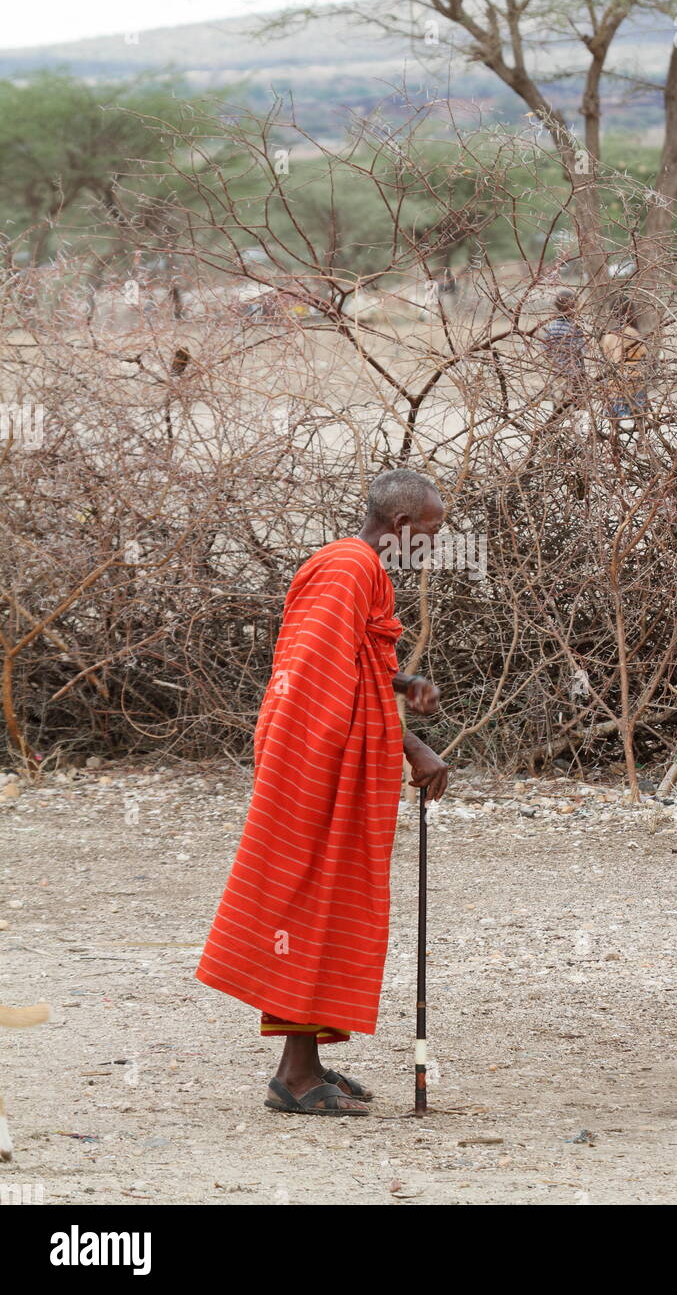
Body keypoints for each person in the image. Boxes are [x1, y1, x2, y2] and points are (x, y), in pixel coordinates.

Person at [196, 470, 449, 1116]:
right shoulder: (350, 568)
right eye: (431, 532)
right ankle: (296, 1077)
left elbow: (354, 665)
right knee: (311, 901)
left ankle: (303, 1063)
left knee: (329, 900)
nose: (434, 545)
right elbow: (317, 680)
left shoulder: (358, 569)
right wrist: (412, 746)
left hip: (327, 755)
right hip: (315, 761)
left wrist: (404, 686)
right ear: (402, 527)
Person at [598, 299, 649, 420]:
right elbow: (643, 353)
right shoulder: (632, 333)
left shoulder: (608, 336)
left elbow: (606, 358)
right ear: (630, 312)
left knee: (616, 419)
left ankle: (616, 430)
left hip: (614, 384)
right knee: (638, 418)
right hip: (634, 382)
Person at [543, 289, 586, 378]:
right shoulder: (575, 327)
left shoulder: (550, 327)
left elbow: (547, 351)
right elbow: (582, 350)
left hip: (556, 372)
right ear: (572, 308)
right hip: (575, 374)